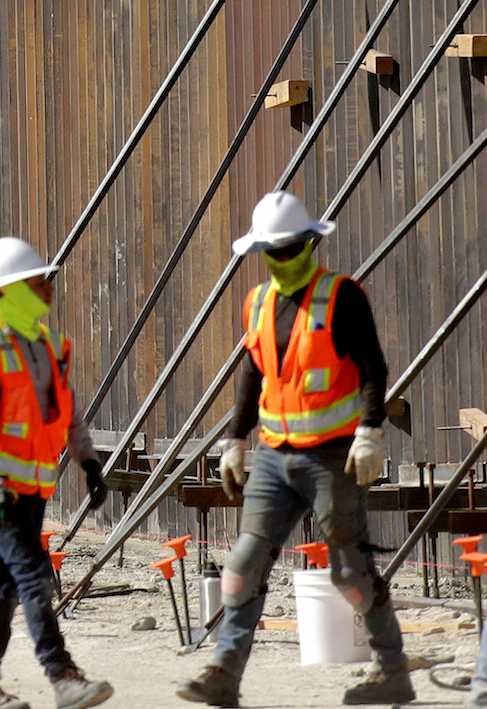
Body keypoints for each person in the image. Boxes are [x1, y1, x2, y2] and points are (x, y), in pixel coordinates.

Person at [176, 191, 410, 707]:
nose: (281, 261)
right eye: (272, 252)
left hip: (334, 456)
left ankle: (392, 669)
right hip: (274, 455)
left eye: (289, 250)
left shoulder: (341, 296)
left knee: (350, 570)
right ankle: (223, 673)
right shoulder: (258, 302)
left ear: (308, 244)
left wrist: (370, 432)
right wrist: (234, 440)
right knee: (243, 563)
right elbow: (253, 372)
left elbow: (374, 367)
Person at [0, 236, 115, 709]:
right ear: (13, 289)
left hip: (31, 485)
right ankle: (63, 676)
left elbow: (68, 412)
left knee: (4, 581)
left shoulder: (52, 345)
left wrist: (89, 462)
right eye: (39, 280)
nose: (49, 288)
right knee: (33, 572)